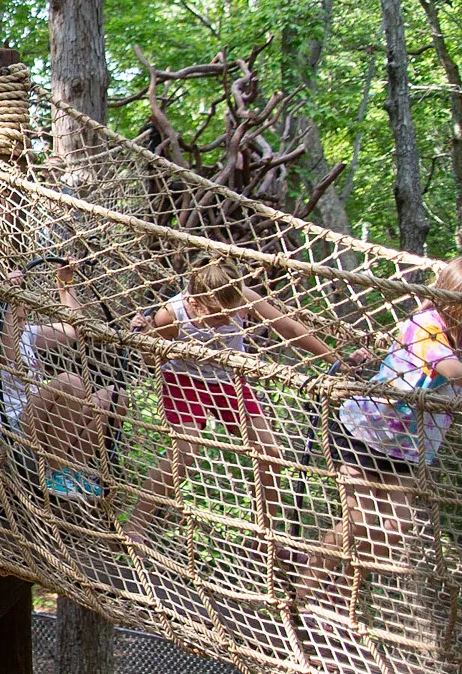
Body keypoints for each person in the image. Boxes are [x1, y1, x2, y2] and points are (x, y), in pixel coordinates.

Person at [126, 259, 361, 543]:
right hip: (184, 377)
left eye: (233, 312)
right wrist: (145, 337)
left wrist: (337, 363)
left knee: (270, 452)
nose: (227, 319)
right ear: (196, 303)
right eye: (217, 316)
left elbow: (289, 328)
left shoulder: (243, 298)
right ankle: (136, 524)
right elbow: (153, 359)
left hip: (227, 379)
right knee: (185, 452)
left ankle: (263, 535)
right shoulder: (171, 315)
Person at [307, 256, 461, 613]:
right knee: (358, 520)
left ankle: (341, 592)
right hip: (364, 432)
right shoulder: (425, 327)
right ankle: (304, 593)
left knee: (394, 530)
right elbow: (452, 370)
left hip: (408, 450)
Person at [0, 262, 121, 500]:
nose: (24, 324)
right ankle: (54, 473)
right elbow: (7, 354)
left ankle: (72, 471)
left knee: (114, 397)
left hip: (43, 432)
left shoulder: (27, 334)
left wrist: (65, 284)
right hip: (10, 437)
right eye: (19, 318)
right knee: (71, 382)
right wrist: (9, 296)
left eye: (25, 319)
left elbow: (72, 330)